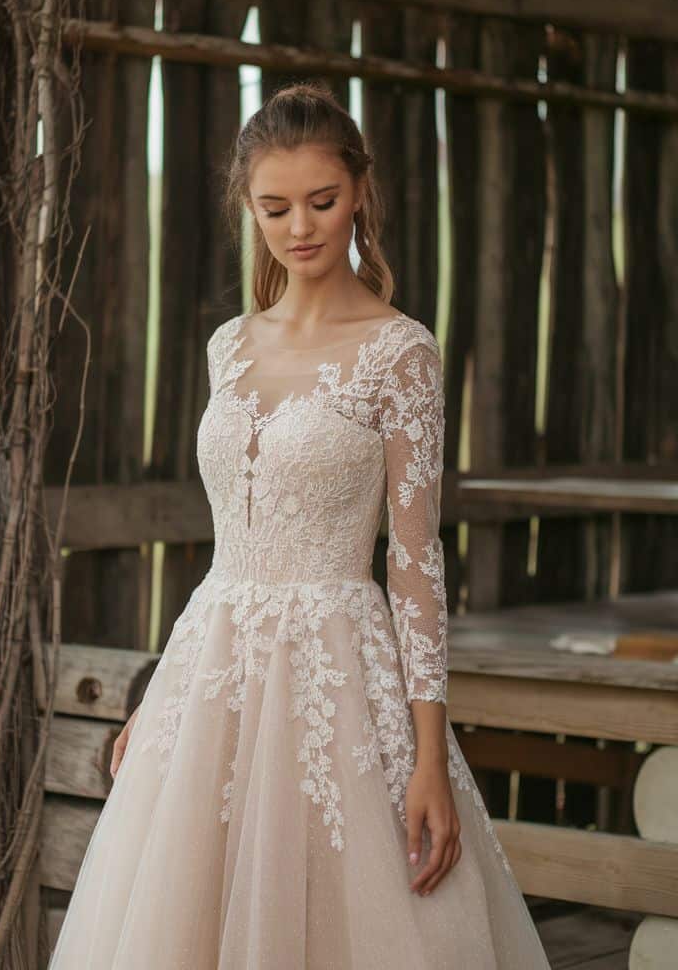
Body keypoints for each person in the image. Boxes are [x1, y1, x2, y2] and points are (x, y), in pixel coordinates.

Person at [48, 83, 552, 968]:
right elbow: (226, 550)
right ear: (248, 205)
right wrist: (166, 691)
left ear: (359, 190)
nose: (301, 227)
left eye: (322, 201)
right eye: (274, 207)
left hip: (337, 683)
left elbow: (416, 561)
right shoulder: (227, 346)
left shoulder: (401, 351)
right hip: (213, 677)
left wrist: (430, 754)